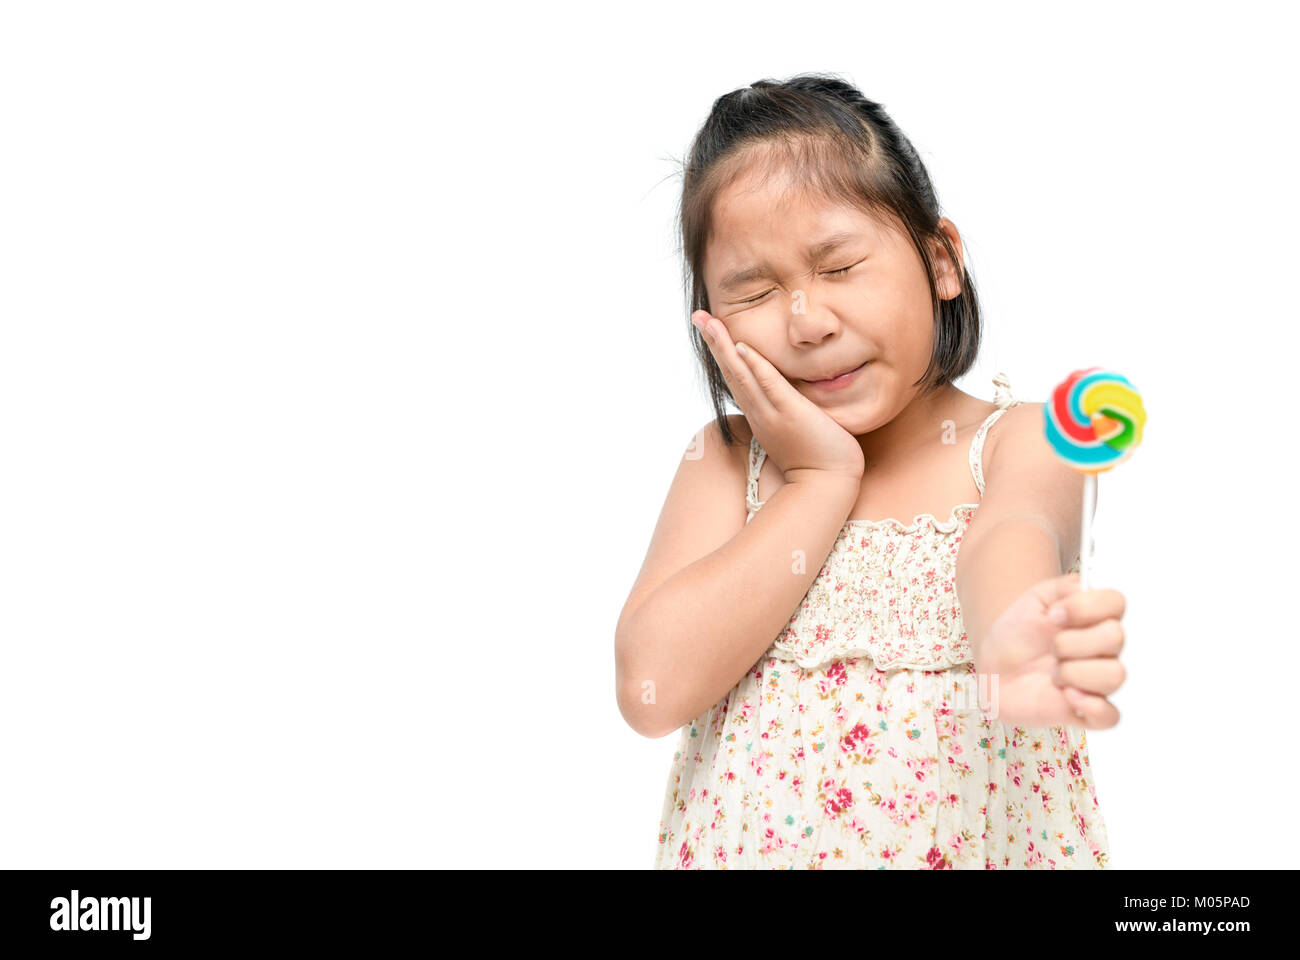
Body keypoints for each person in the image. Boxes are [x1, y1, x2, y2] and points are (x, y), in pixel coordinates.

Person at [614, 74, 1125, 869]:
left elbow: (1012, 539)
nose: (808, 323)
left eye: (841, 267)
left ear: (941, 261)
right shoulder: (725, 463)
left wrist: (1017, 632)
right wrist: (818, 482)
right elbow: (652, 686)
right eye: (753, 290)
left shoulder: (1018, 439)